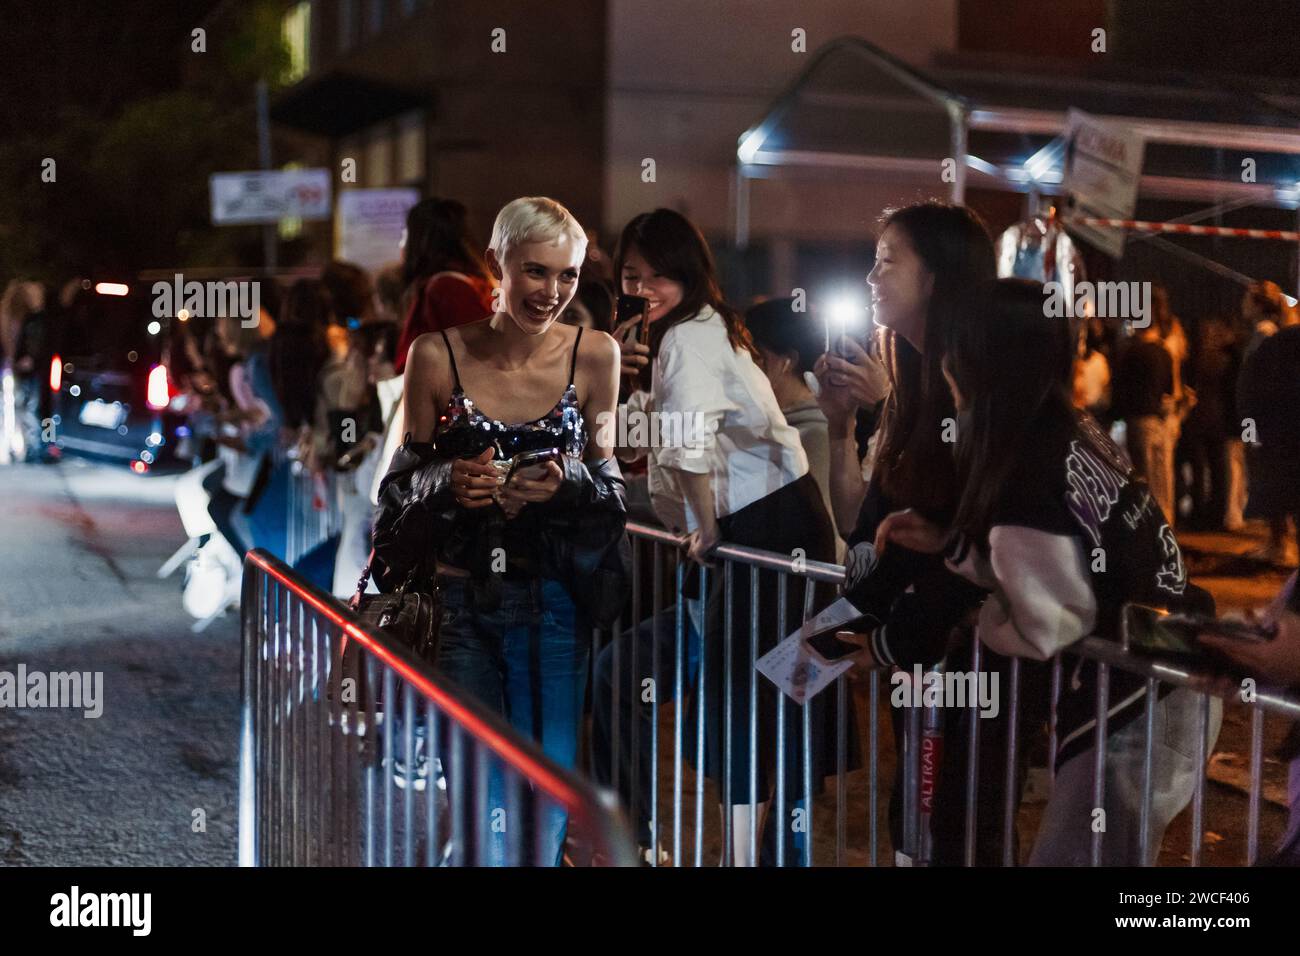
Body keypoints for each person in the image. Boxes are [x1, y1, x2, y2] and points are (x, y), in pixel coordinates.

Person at [867, 278, 1223, 866]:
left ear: (980, 359)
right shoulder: (1071, 430)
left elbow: (1051, 621)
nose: (940, 366)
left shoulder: (1021, 469)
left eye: (950, 348)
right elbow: (1061, 559)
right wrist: (957, 546)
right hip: (1168, 672)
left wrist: (985, 620)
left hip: (1133, 699)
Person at [371, 196, 628, 867]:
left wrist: (567, 482)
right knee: (481, 801)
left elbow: (613, 491)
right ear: (497, 264)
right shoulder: (435, 356)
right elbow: (395, 492)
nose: (552, 292)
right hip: (461, 607)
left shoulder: (596, 355)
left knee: (544, 807)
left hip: (554, 609)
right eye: (536, 272)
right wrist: (445, 481)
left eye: (567, 276)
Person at [600, 207, 841, 867]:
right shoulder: (704, 328)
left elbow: (687, 442)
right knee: (767, 704)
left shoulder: (691, 337)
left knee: (755, 708)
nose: (644, 289)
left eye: (659, 276)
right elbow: (646, 445)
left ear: (689, 274)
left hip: (766, 528)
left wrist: (705, 528)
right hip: (776, 525)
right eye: (631, 275)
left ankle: (747, 854)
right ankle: (739, 851)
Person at [813, 202, 1014, 865]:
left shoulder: (984, 391)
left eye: (886, 260)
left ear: (935, 278)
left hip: (977, 664)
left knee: (957, 826)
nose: (870, 276)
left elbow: (980, 548)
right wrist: (842, 426)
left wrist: (887, 639)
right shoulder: (912, 389)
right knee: (916, 820)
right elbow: (872, 537)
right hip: (919, 662)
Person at [744, 296, 844, 557]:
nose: (740, 369)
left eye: (753, 356)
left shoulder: (815, 435)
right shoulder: (762, 426)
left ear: (786, 361)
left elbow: (817, 533)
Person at [393, 198, 496, 372]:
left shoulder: (448, 288)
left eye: (405, 234)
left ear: (421, 240)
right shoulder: (449, 284)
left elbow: (470, 359)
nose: (401, 244)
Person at [1238, 316, 1300, 568]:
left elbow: (1254, 392)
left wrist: (1252, 433)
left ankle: (1282, 546)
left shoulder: (1272, 340)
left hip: (1277, 437)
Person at [1110, 307, 1177, 525]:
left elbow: (1120, 388)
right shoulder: (1164, 353)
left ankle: (1149, 522)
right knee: (1163, 474)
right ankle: (1167, 518)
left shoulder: (1131, 353)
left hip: (1139, 419)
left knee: (1143, 474)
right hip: (1160, 419)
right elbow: (1170, 389)